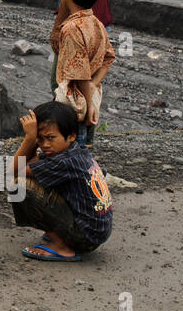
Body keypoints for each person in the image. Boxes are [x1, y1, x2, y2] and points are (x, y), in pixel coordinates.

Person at [7, 101, 113, 261]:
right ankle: (60, 235)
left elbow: (14, 170)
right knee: (38, 177)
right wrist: (35, 139)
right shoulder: (74, 151)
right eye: (40, 139)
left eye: (50, 137)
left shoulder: (64, 162)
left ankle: (62, 247)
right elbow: (30, 163)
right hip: (94, 232)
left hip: (85, 238)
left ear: (71, 135)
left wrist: (29, 139)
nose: (44, 145)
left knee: (20, 186)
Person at [54, 0, 116, 145]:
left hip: (73, 104)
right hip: (91, 97)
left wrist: (88, 107)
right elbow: (109, 58)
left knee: (70, 148)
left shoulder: (72, 28)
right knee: (82, 148)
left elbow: (79, 74)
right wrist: (94, 84)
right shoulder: (97, 24)